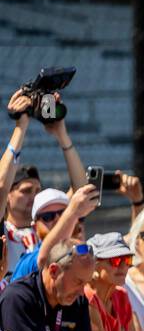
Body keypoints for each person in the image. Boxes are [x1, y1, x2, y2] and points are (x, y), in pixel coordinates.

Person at [0, 238, 133, 331]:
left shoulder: (78, 300)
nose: (82, 291)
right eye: (78, 282)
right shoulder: (19, 296)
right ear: (54, 271)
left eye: (86, 283)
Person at [1, 83, 88, 270]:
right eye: (25, 191)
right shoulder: (5, 231)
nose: (34, 196)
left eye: (37, 190)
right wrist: (20, 126)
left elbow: (82, 194)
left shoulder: (47, 224)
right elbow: (1, 186)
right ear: (8, 196)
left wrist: (61, 133)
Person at [7, 183, 99, 282]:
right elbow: (45, 258)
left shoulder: (82, 253)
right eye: (48, 216)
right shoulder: (27, 262)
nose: (57, 220)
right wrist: (72, 213)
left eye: (62, 214)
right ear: (35, 228)